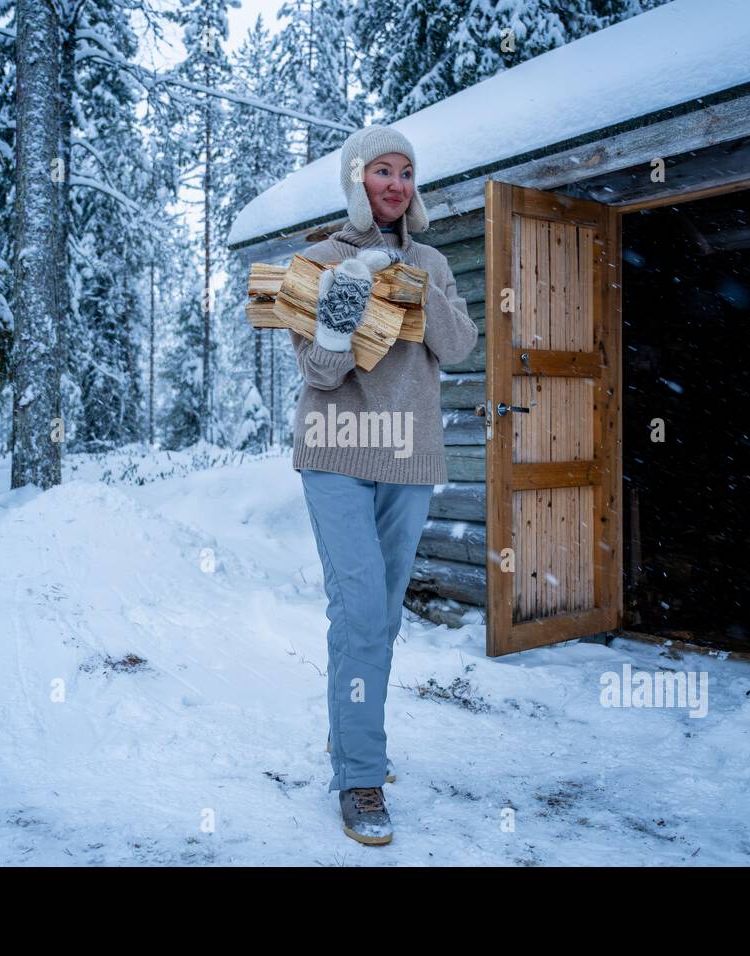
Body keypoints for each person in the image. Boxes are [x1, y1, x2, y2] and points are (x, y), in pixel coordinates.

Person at [288, 124, 478, 845]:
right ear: (356, 179)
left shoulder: (429, 259)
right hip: (337, 452)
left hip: (409, 457)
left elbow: (459, 344)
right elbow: (321, 374)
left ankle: (354, 741)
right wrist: (345, 302)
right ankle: (361, 779)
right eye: (381, 171)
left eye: (406, 172)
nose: (396, 184)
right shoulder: (315, 261)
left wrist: (415, 288)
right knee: (362, 608)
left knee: (380, 617)